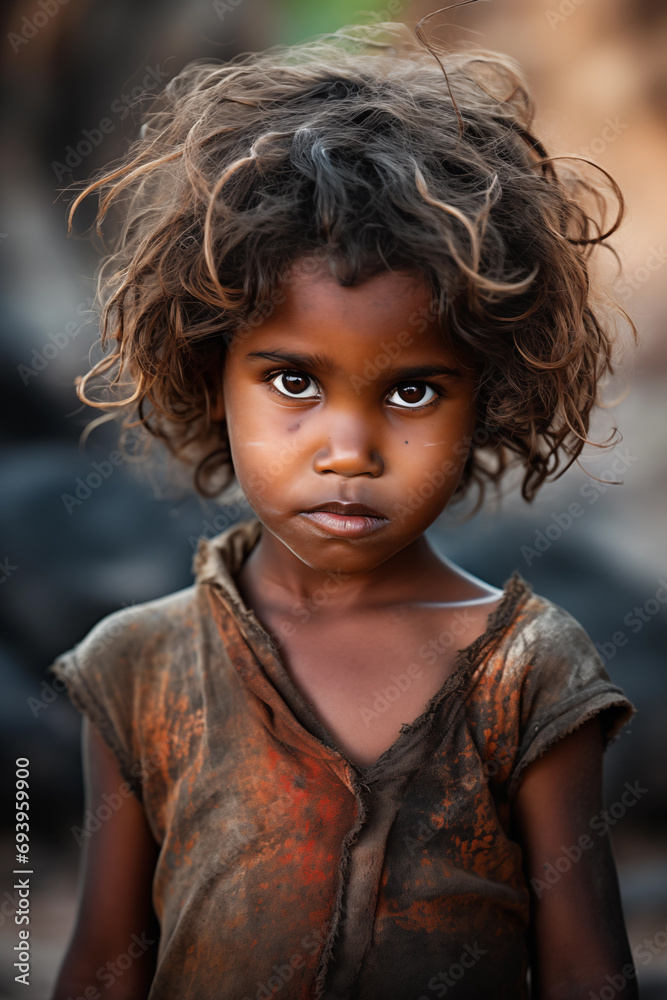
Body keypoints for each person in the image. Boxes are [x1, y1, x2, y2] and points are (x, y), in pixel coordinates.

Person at [48, 9, 640, 1000]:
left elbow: (587, 972)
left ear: (489, 397)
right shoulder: (138, 667)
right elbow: (104, 962)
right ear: (210, 371)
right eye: (291, 381)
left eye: (411, 390)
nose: (350, 449)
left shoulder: (526, 673)